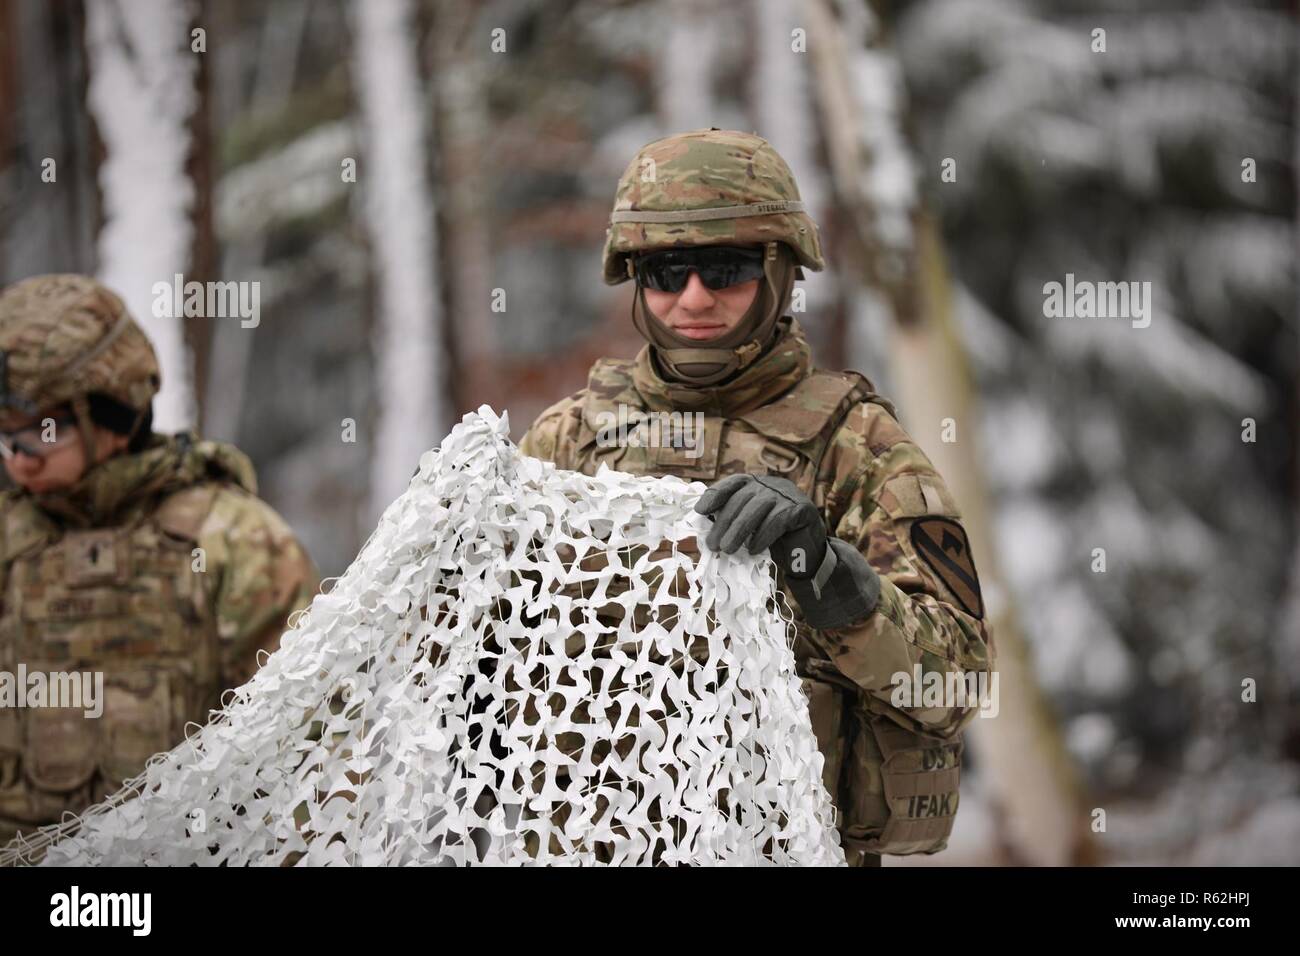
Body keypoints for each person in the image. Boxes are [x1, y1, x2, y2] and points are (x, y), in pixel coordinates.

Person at [519, 128, 995, 866]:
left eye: (727, 267)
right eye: (667, 271)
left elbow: (960, 681)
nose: (694, 298)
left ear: (780, 272)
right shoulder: (567, 443)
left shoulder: (857, 444)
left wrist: (834, 583)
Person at [0, 273, 319, 849]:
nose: (19, 462)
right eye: (4, 439)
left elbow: (310, 758)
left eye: (38, 436)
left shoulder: (233, 542)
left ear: (113, 419)